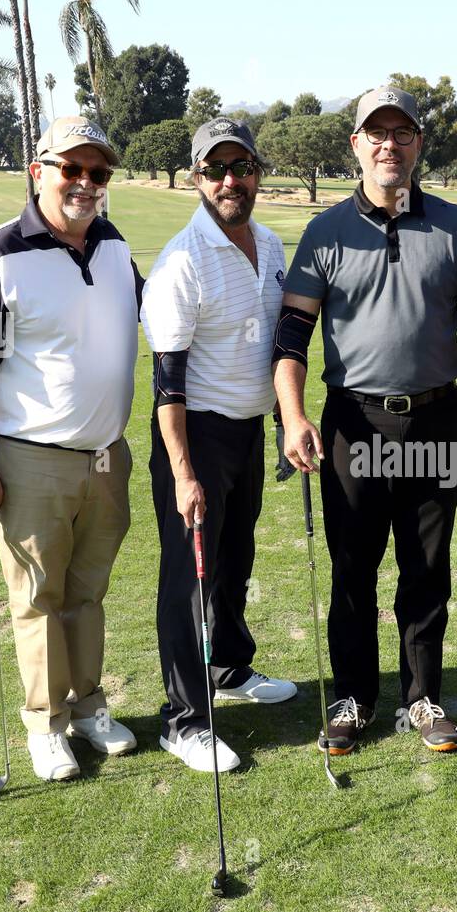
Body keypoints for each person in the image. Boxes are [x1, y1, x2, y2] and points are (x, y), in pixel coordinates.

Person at [272, 86, 457, 756]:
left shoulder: (455, 227)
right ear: (356, 145)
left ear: (418, 145)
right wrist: (292, 415)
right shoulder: (325, 231)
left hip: (433, 418)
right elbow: (290, 339)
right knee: (353, 567)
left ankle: (423, 698)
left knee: (427, 565)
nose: (388, 144)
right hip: (354, 423)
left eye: (401, 132)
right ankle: (353, 696)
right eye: (376, 133)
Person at [0, 117, 141, 782]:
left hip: (109, 456)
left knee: (88, 591)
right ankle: (46, 725)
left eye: (99, 173)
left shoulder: (114, 246)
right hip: (33, 461)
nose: (86, 184)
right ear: (39, 172)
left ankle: (88, 705)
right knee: (38, 597)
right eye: (73, 170)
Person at [141, 118, 297, 773]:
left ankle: (230, 667)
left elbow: (279, 347)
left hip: (248, 428)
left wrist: (288, 422)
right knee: (189, 578)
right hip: (195, 433)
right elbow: (166, 386)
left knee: (234, 558)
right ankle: (185, 719)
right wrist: (183, 472)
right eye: (216, 170)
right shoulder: (182, 259)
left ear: (257, 172)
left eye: (242, 167)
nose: (231, 180)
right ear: (198, 179)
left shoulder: (270, 242)